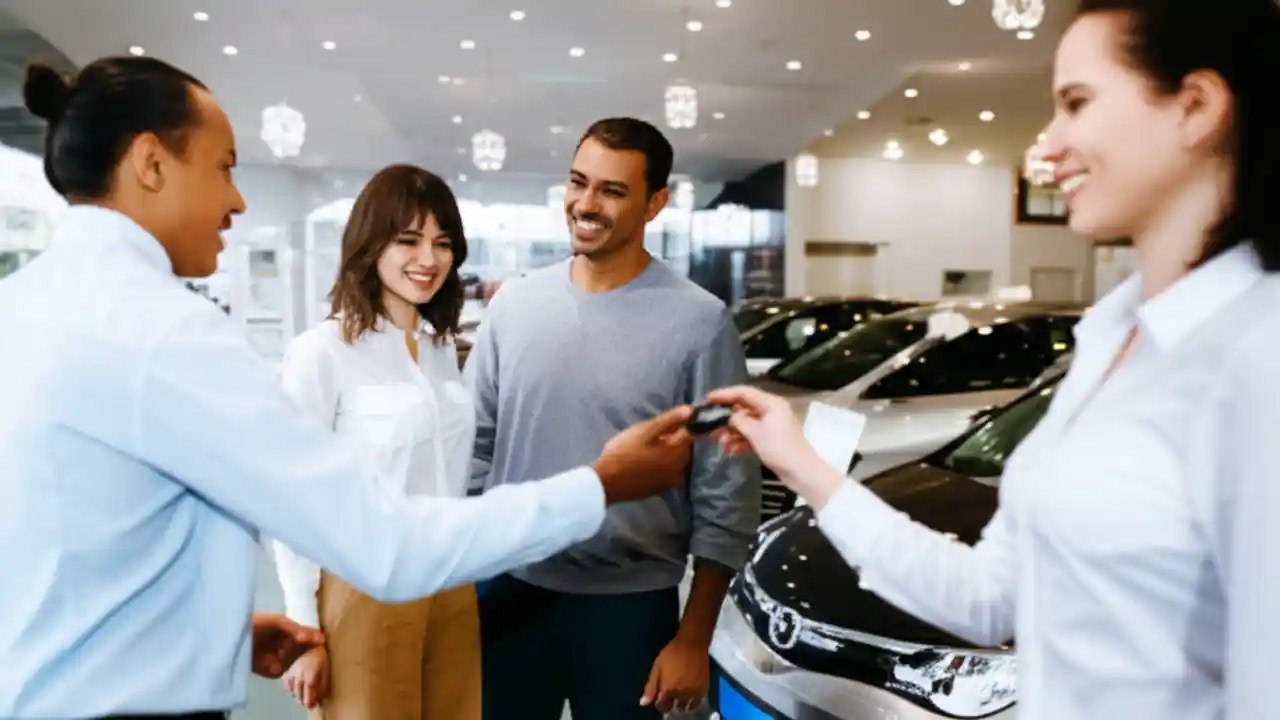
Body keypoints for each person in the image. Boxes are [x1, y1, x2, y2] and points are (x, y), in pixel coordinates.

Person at [0, 57, 695, 719]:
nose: (238, 200)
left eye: (441, 243)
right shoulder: (169, 332)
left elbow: (77, 544)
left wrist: (224, 632)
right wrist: (600, 484)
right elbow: (381, 544)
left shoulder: (24, 307)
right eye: (224, 168)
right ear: (152, 163)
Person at [705, 1, 1280, 717]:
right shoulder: (1109, 340)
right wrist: (804, 468)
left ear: (1194, 107)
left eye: (1077, 103)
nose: (1049, 143)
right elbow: (985, 598)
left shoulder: (1256, 354)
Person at [466, 118, 761, 719]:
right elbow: (473, 450)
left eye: (612, 190)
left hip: (630, 607)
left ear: (656, 203)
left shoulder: (701, 323)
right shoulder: (514, 307)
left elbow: (726, 493)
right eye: (579, 182)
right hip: (507, 592)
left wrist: (694, 638)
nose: (586, 203)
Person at [273, 164, 484, 718]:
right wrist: (303, 633)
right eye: (409, 240)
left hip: (450, 580)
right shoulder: (322, 352)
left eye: (443, 243)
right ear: (371, 245)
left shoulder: (440, 350)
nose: (429, 259)